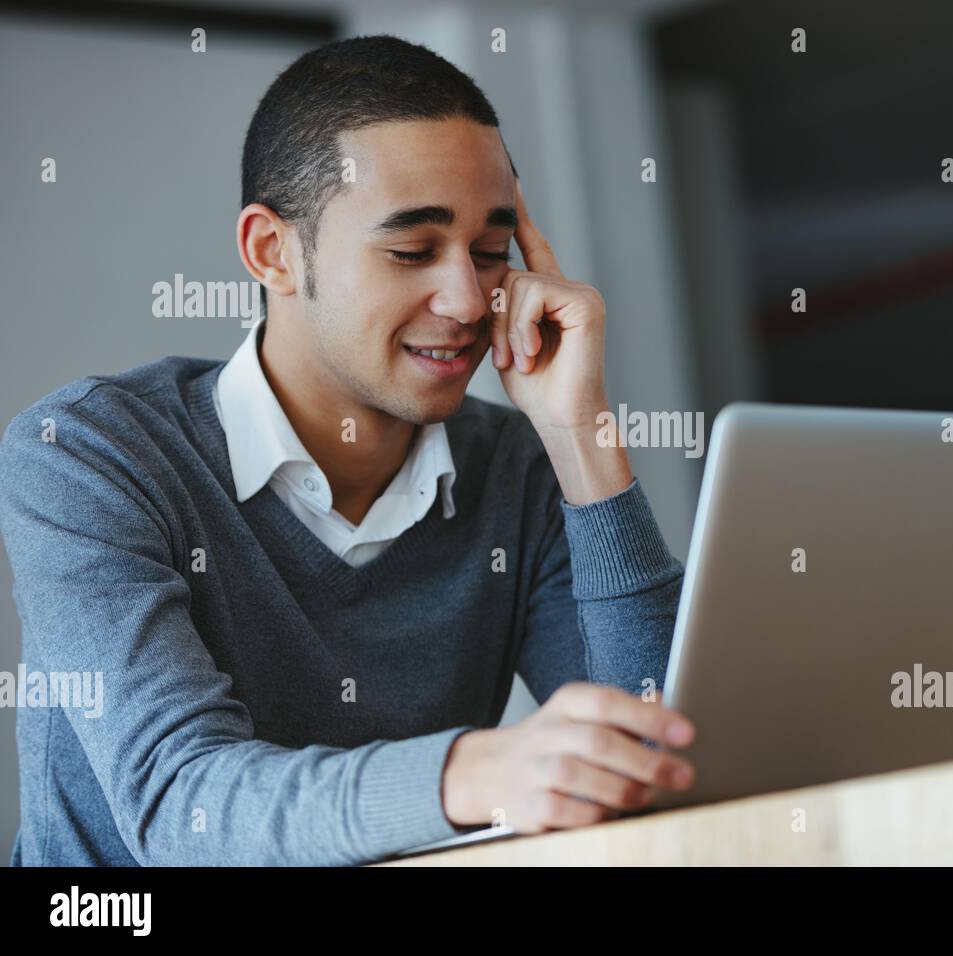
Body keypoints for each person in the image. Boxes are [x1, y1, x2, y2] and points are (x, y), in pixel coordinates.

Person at [0, 35, 695, 866]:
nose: (468, 301)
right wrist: (469, 774)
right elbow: (178, 806)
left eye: (490, 252)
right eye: (411, 251)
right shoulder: (89, 454)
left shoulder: (517, 466)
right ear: (272, 252)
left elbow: (663, 766)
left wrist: (583, 439)